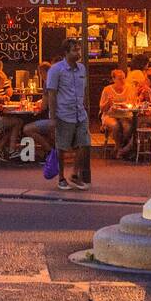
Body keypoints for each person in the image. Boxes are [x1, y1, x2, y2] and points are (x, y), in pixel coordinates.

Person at [46, 38, 90, 191]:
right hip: (64, 113)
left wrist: (84, 105)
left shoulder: (82, 69)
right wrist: (52, 117)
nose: (78, 53)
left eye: (79, 49)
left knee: (83, 144)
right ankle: (61, 177)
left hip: (80, 113)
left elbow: (83, 89)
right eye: (75, 50)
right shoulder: (56, 69)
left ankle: (75, 174)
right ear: (66, 52)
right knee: (62, 147)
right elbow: (52, 93)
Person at [99, 68, 129, 153]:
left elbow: (132, 103)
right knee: (116, 126)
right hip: (109, 115)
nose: (122, 80)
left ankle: (121, 148)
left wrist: (126, 105)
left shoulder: (128, 89)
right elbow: (102, 108)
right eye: (120, 79)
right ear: (113, 79)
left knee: (128, 127)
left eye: (124, 78)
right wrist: (108, 102)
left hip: (124, 115)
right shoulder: (107, 90)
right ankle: (120, 149)